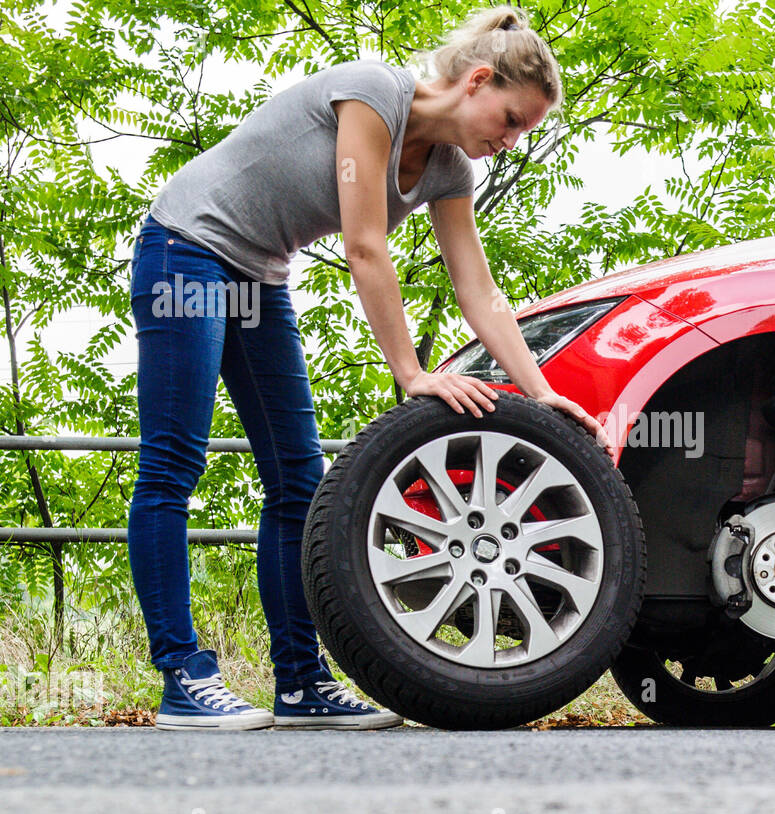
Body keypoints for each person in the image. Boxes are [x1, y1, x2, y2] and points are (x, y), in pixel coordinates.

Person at [127, 5, 606, 731]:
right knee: (173, 464)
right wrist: (412, 373)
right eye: (510, 121)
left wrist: (542, 394)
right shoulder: (371, 91)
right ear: (477, 81)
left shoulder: (448, 172)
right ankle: (183, 678)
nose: (508, 143)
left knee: (297, 478)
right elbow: (364, 244)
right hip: (186, 249)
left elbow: (477, 290)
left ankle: (301, 684)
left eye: (521, 134)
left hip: (258, 274)